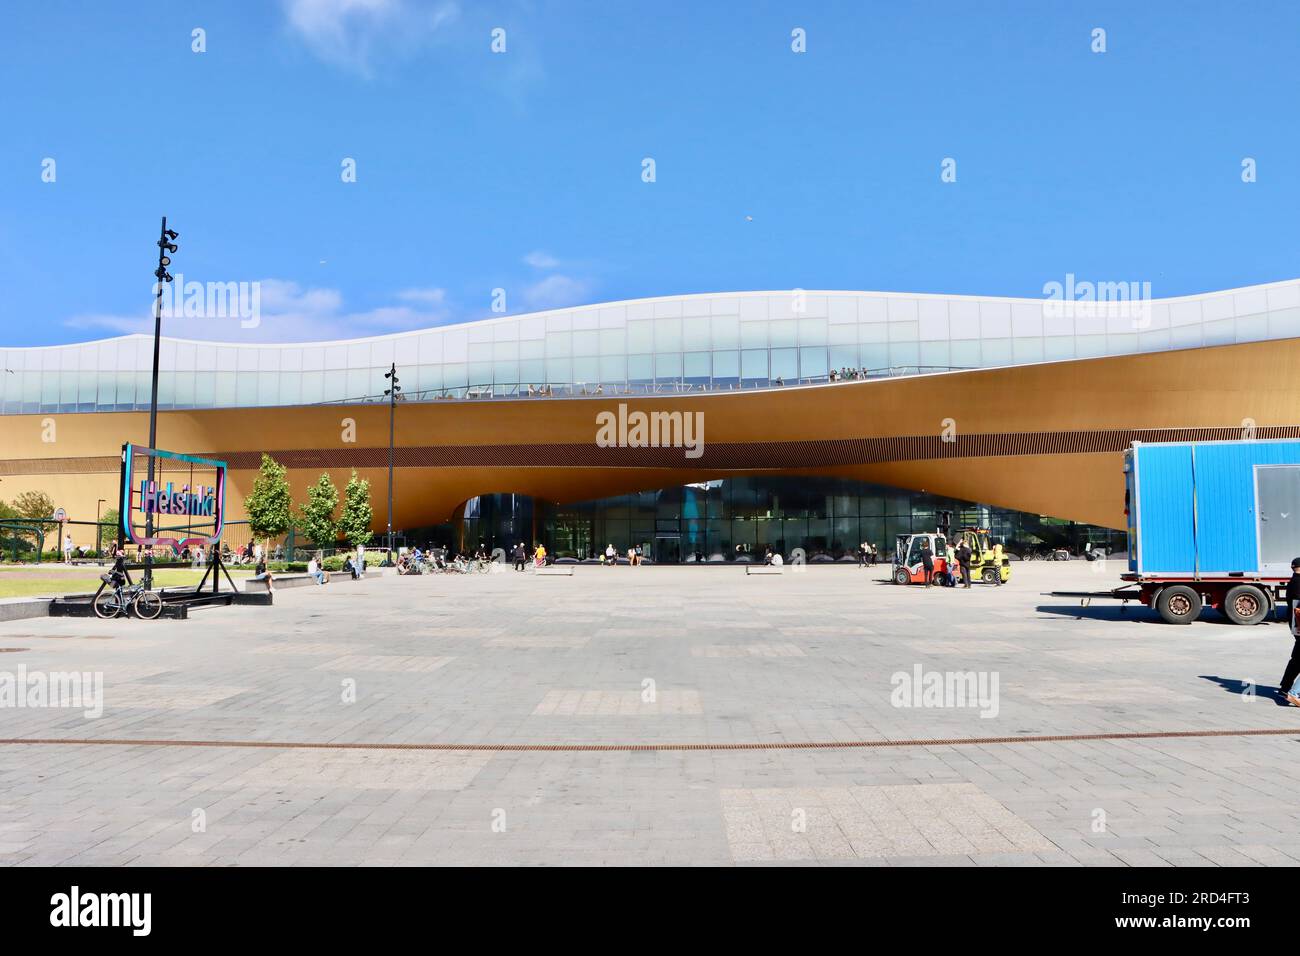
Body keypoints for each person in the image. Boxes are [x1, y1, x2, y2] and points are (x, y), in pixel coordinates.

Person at [1280, 558, 1300, 707]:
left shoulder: (1293, 581)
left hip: (1295, 624)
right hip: (1299, 624)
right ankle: (1295, 692)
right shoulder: (1298, 583)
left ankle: (1285, 687)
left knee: (1297, 658)